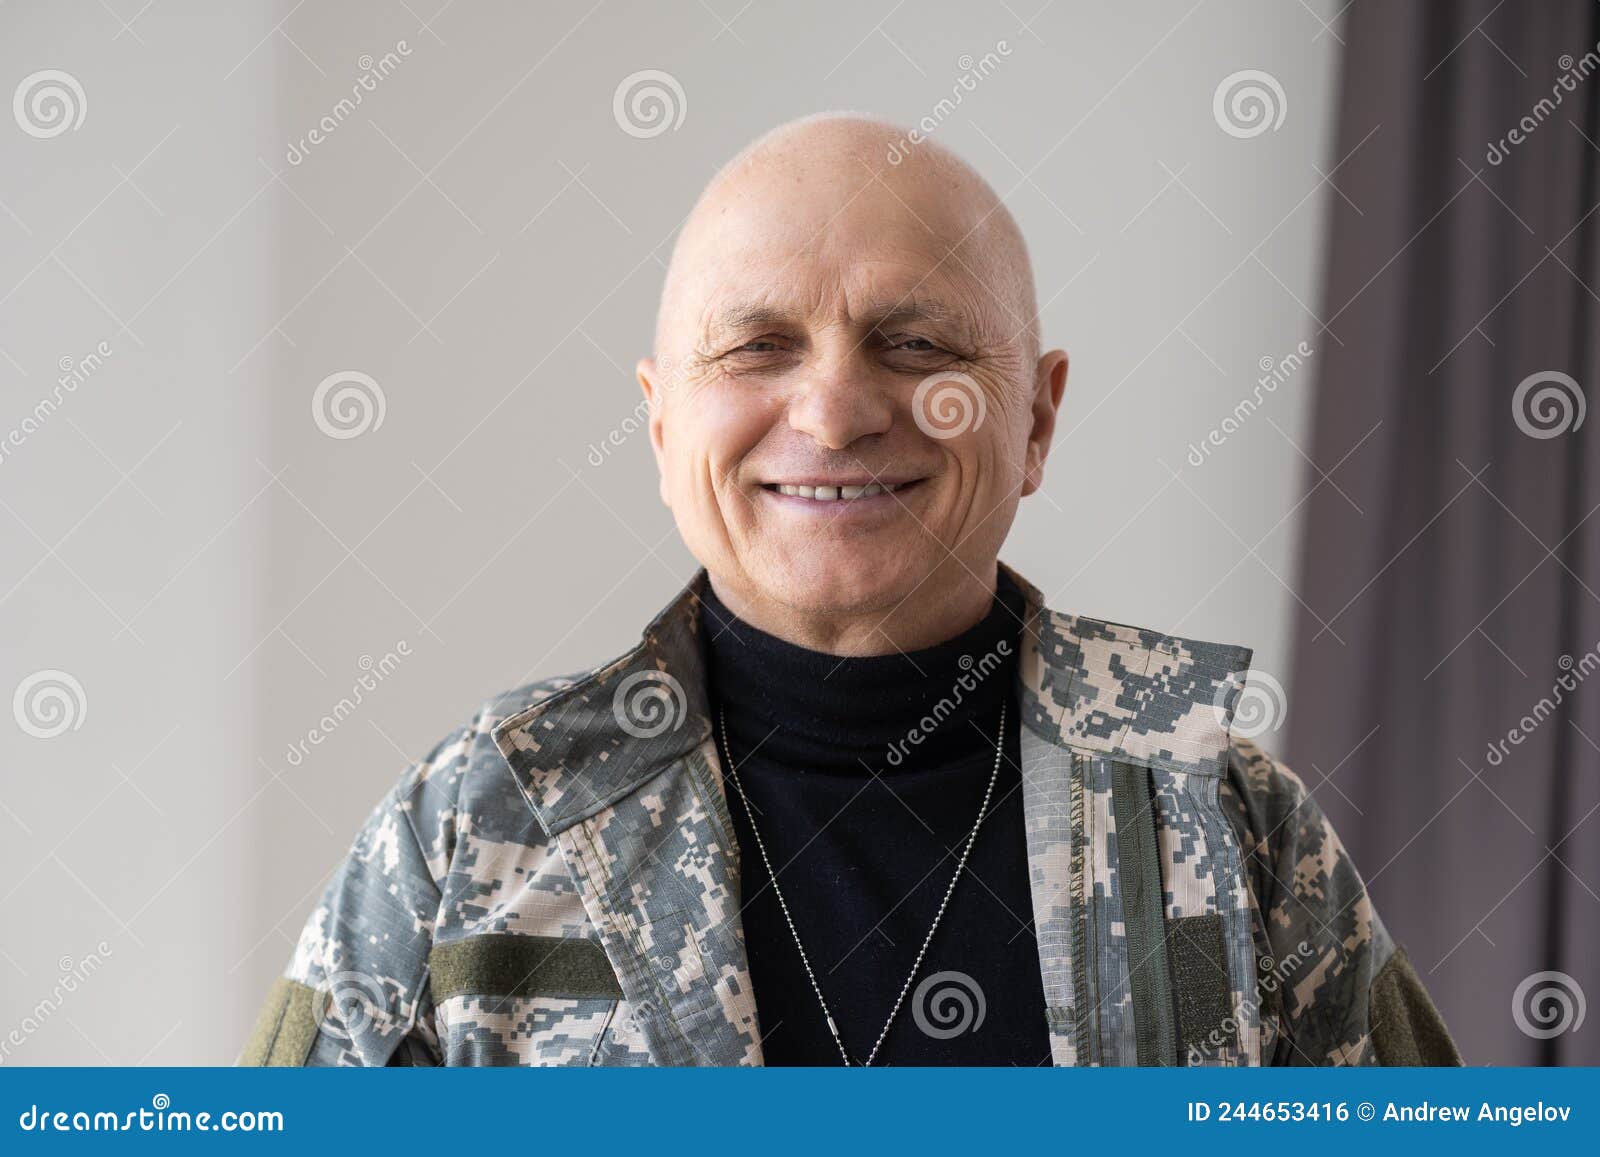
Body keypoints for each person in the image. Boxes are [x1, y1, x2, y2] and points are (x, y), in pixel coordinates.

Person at [242, 113, 1459, 1067]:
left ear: (1034, 419)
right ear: (664, 425)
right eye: (757, 346)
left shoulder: (1227, 819)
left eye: (917, 343)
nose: (832, 411)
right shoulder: (480, 824)